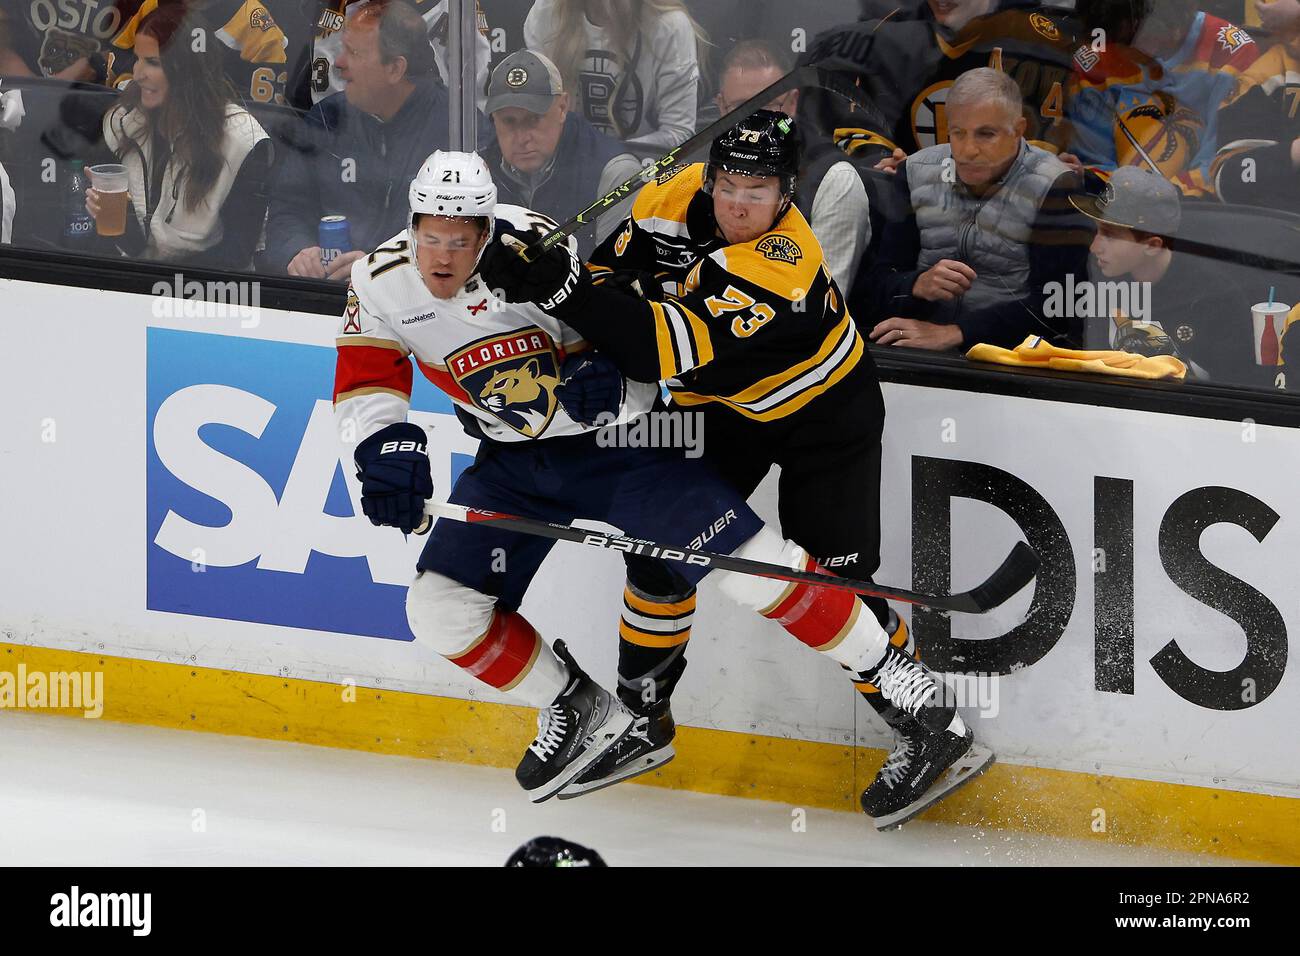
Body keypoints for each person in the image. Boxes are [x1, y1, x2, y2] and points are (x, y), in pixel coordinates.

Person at [340, 149, 978, 821]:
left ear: (486, 231)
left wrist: (614, 385)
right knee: (437, 610)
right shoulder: (379, 279)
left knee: (754, 568)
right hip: (511, 466)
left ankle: (905, 686)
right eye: (430, 237)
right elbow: (365, 381)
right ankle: (577, 707)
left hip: (625, 451)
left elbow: (635, 345)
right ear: (411, 226)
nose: (441, 257)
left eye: (460, 241)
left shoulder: (533, 253)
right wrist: (382, 448)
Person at [860, 68, 1091, 351]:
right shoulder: (914, 173)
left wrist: (957, 333)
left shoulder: (1054, 185)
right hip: (914, 346)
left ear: (1018, 130)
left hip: (1011, 359)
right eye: (957, 133)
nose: (968, 150)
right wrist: (916, 285)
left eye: (986, 134)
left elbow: (1058, 309)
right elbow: (874, 285)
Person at [262, 0, 487, 279]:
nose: (339, 64)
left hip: (418, 310)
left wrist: (381, 268)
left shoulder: (461, 132)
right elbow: (286, 210)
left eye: (354, 53)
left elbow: (477, 241)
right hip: (323, 300)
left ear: (395, 68)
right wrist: (297, 251)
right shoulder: (326, 118)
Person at [85, 4, 273, 270]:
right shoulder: (121, 122)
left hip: (210, 295)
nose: (137, 74)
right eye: (138, 59)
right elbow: (134, 248)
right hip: (133, 287)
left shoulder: (244, 140)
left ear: (186, 70)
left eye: (152, 62)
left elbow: (237, 253)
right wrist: (118, 218)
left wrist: (162, 289)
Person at [800, 0, 1082, 170]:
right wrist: (883, 162)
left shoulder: (1041, 45)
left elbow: (1065, 150)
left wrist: (1055, 169)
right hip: (911, 222)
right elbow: (853, 130)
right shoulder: (883, 41)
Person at [714, 39, 875, 296]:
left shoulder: (834, 180)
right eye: (740, 107)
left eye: (768, 106)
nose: (756, 120)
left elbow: (819, 307)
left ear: (792, 103)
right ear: (721, 107)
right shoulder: (697, 170)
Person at [1070, 166, 1260, 383]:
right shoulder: (1097, 274)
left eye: (1110, 236)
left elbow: (1238, 389)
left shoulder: (1216, 299)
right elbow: (1078, 357)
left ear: (1152, 245)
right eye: (1097, 231)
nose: (1094, 247)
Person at [1066, 0, 1262, 196]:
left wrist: (1161, 200)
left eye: (1142, 34)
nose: (1134, 49)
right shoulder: (1097, 53)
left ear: (1180, 22)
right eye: (1125, 38)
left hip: (1195, 208)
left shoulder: (1232, 51)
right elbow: (1095, 160)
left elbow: (1220, 164)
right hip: (1114, 207)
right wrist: (1089, 178)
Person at [482, 49, 641, 257]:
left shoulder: (614, 174)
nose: (522, 138)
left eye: (533, 119)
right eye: (508, 122)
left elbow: (613, 280)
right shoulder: (478, 171)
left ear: (562, 107)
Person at [523, 0, 707, 149]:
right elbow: (538, 116)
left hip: (638, 171)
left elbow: (678, 132)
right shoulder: (546, 13)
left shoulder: (669, 25)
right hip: (567, 166)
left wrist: (613, 158)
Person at [306, 0, 492, 111]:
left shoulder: (454, 5)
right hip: (361, 131)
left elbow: (476, 85)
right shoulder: (344, 5)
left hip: (435, 128)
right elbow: (330, 84)